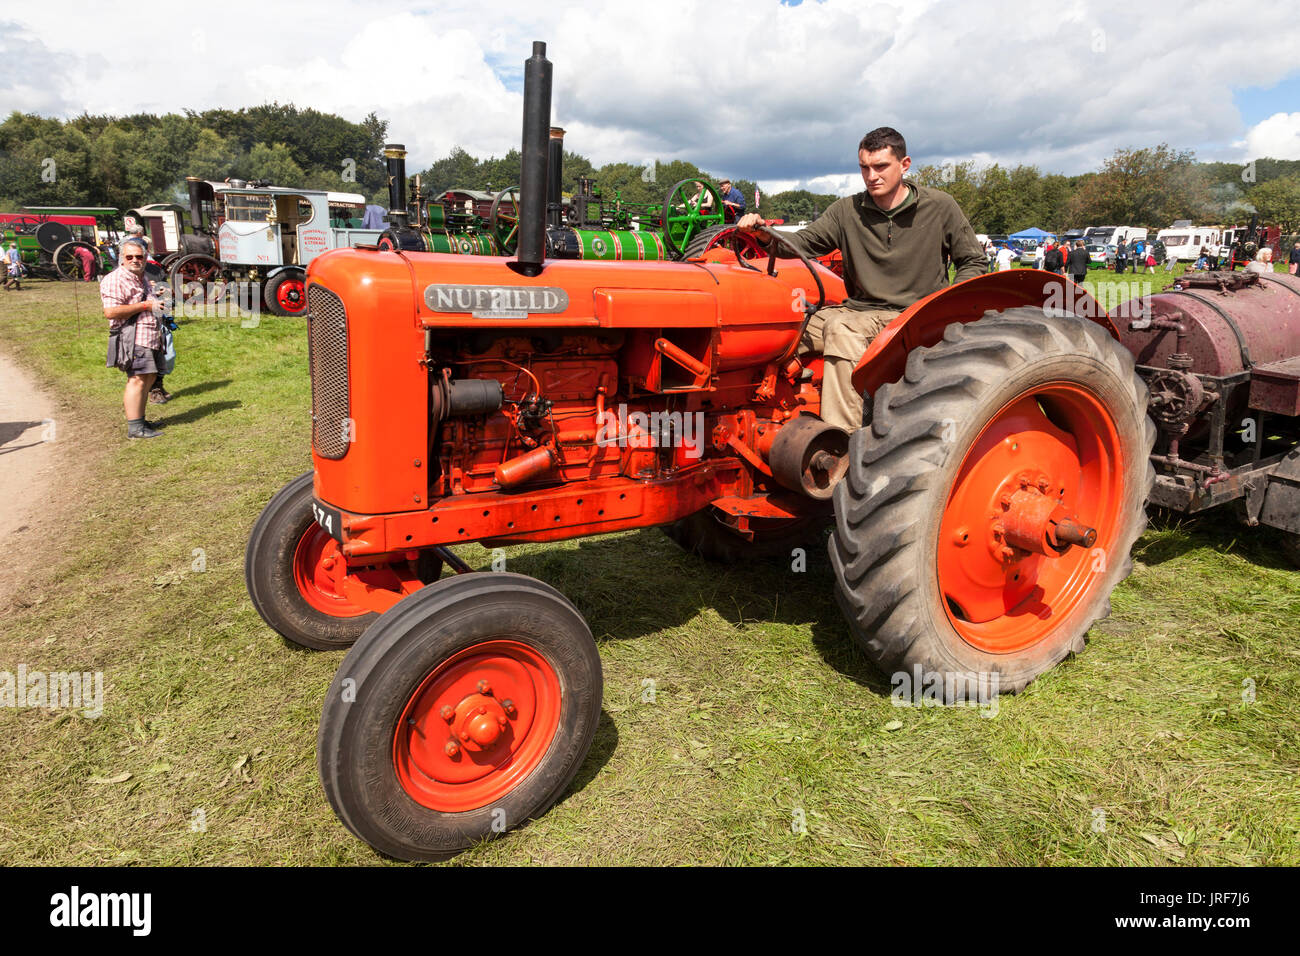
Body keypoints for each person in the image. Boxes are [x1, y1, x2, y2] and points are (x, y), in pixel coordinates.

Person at [735, 127, 986, 432]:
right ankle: (755, 417)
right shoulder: (847, 210)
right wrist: (764, 233)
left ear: (904, 165)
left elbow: (973, 261)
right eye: (864, 168)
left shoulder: (939, 206)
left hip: (912, 316)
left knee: (841, 329)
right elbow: (802, 244)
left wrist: (943, 307)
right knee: (775, 323)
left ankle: (844, 445)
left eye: (881, 167)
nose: (871, 176)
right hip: (858, 309)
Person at [101, 237, 165, 439]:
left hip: (149, 335)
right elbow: (111, 312)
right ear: (121, 258)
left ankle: (140, 420)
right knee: (137, 380)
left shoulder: (141, 277)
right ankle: (135, 428)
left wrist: (155, 295)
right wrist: (146, 306)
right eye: (130, 256)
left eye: (139, 256)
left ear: (145, 257)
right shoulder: (115, 279)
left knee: (148, 378)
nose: (135, 260)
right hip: (134, 337)